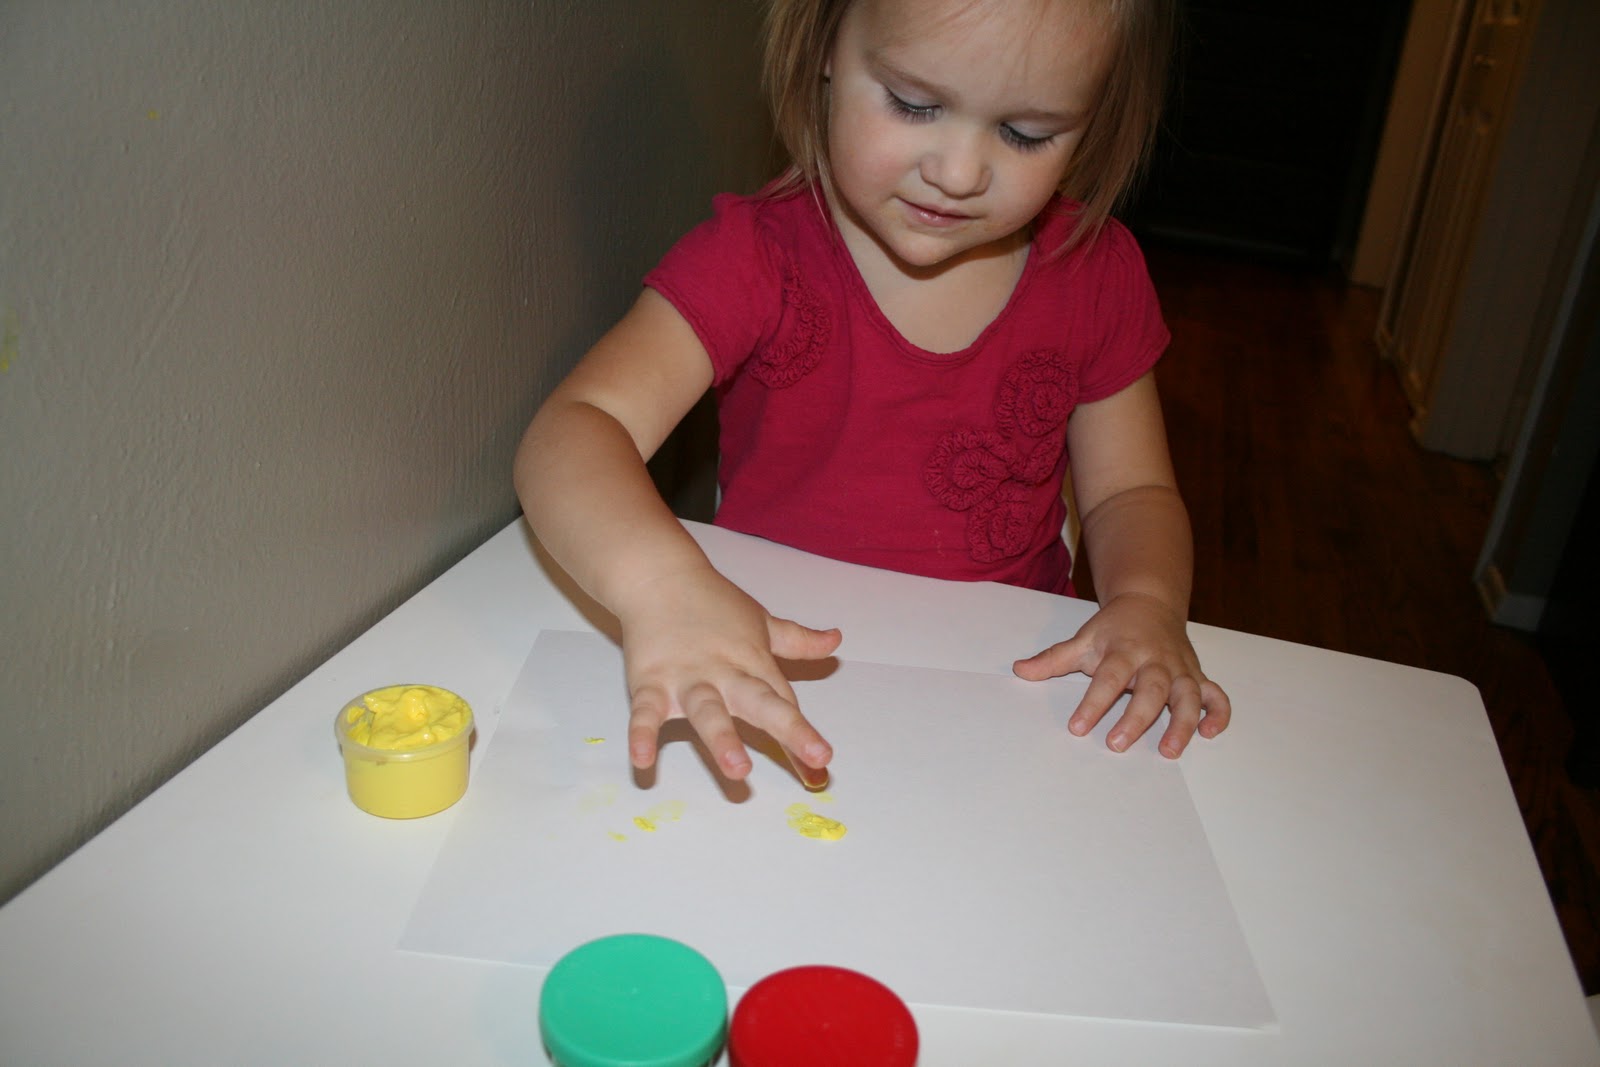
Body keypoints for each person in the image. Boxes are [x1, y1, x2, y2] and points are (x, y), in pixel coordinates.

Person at [514, 0, 1231, 789]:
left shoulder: (1096, 275)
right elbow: (576, 429)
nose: (959, 173)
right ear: (826, 42)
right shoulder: (757, 257)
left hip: (1005, 700)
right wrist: (661, 588)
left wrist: (1148, 602)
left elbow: (1132, 492)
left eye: (1026, 133)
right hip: (768, 677)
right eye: (914, 104)